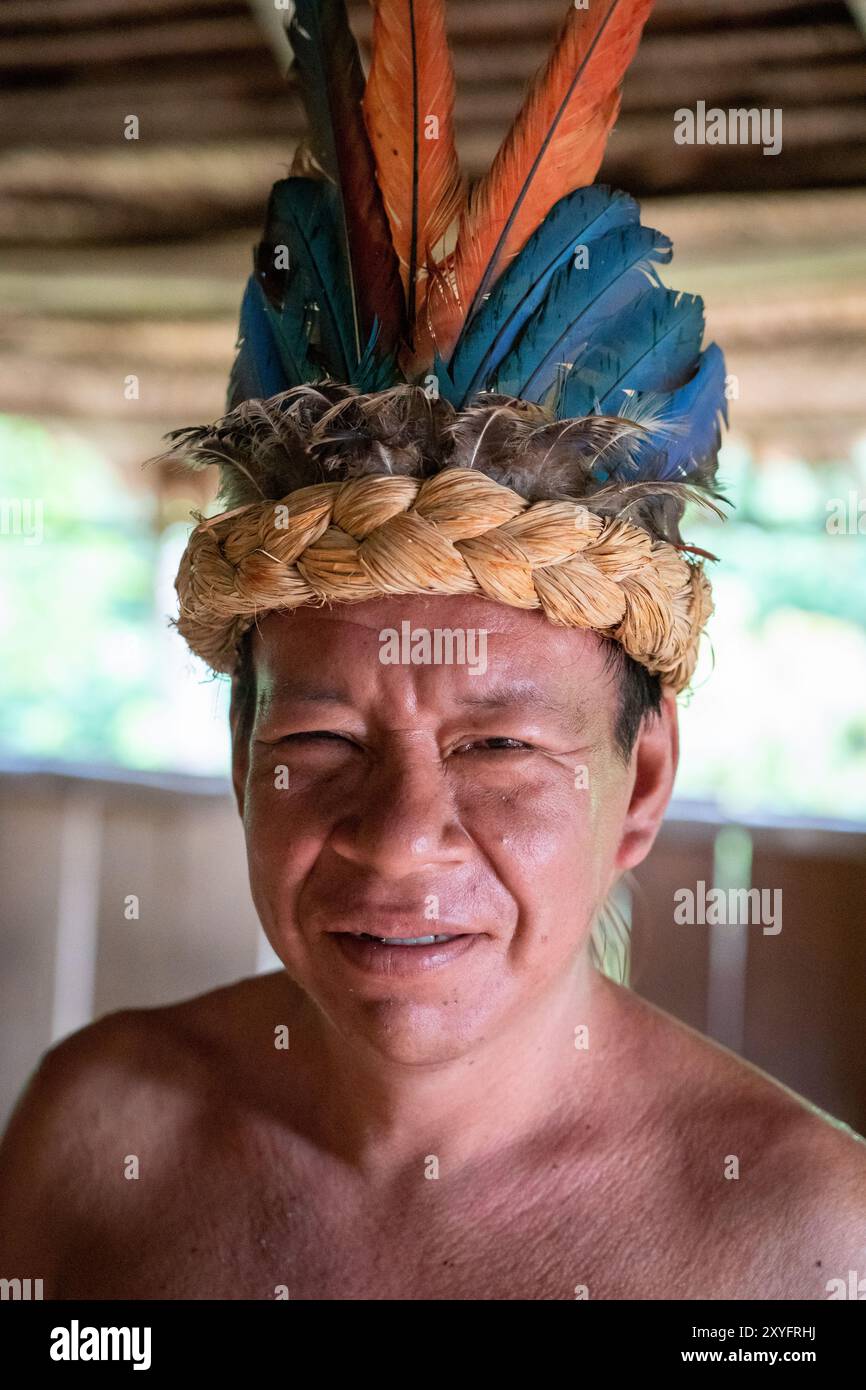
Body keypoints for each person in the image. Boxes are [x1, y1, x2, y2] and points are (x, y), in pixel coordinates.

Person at [1, 0, 864, 1299]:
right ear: (240, 761)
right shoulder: (93, 1134)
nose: (399, 840)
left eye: (499, 742)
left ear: (637, 782)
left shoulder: (804, 1251)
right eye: (320, 740)